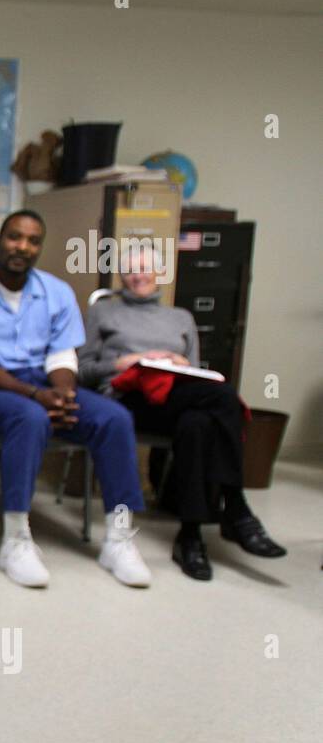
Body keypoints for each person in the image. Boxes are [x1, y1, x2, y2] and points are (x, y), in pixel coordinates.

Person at [0, 209, 152, 589]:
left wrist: (64, 395)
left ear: (40, 247)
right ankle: (16, 539)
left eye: (33, 241)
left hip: (48, 384)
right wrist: (37, 397)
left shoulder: (57, 291)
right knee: (29, 417)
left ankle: (119, 539)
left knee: (114, 418)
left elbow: (62, 356)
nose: (23, 247)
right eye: (15, 237)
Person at [79, 242, 286, 580]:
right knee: (224, 398)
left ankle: (190, 536)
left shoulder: (181, 317)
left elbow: (193, 373)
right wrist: (123, 362)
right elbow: (81, 369)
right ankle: (235, 506)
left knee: (198, 423)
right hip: (127, 399)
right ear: (121, 274)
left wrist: (178, 363)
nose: (137, 276)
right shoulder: (104, 312)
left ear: (159, 273)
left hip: (175, 398)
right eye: (130, 269)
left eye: (145, 268)